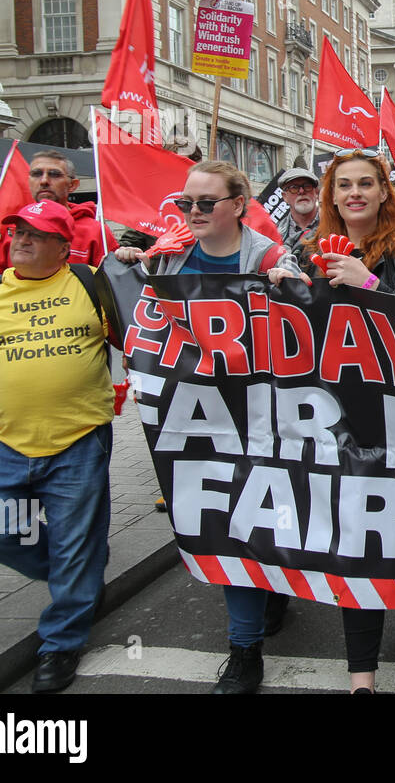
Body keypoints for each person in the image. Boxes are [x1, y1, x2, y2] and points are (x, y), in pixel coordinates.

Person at [114, 160, 303, 693]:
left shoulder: (266, 255)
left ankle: (273, 585)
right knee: (225, 525)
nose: (192, 213)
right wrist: (126, 264)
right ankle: (244, 651)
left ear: (239, 205)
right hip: (196, 421)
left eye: (205, 203)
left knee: (261, 519)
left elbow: (308, 312)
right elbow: (129, 313)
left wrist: (292, 285)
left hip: (264, 418)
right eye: (185, 203)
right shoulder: (169, 255)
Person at [0, 200, 118, 692]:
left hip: (80, 441)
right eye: (17, 231)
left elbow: (138, 341)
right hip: (6, 444)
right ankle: (78, 582)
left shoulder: (90, 285)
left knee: (75, 544)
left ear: (64, 246)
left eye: (36, 234)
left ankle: (60, 642)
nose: (21, 239)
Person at [296, 148, 395, 693]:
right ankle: (363, 679)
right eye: (344, 184)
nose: (354, 192)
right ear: (331, 195)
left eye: (366, 183)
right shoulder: (308, 249)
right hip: (337, 416)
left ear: (384, 192)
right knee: (357, 532)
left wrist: (370, 284)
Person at [0, 151, 117, 287]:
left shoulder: (95, 231)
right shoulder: (13, 228)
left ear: (72, 185)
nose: (44, 181)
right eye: (37, 174)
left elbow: (113, 286)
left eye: (54, 174)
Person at [277, 167, 320, 252]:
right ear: (285, 197)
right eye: (294, 188)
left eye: (307, 186)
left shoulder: (335, 224)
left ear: (316, 192)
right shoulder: (275, 233)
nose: (301, 191)